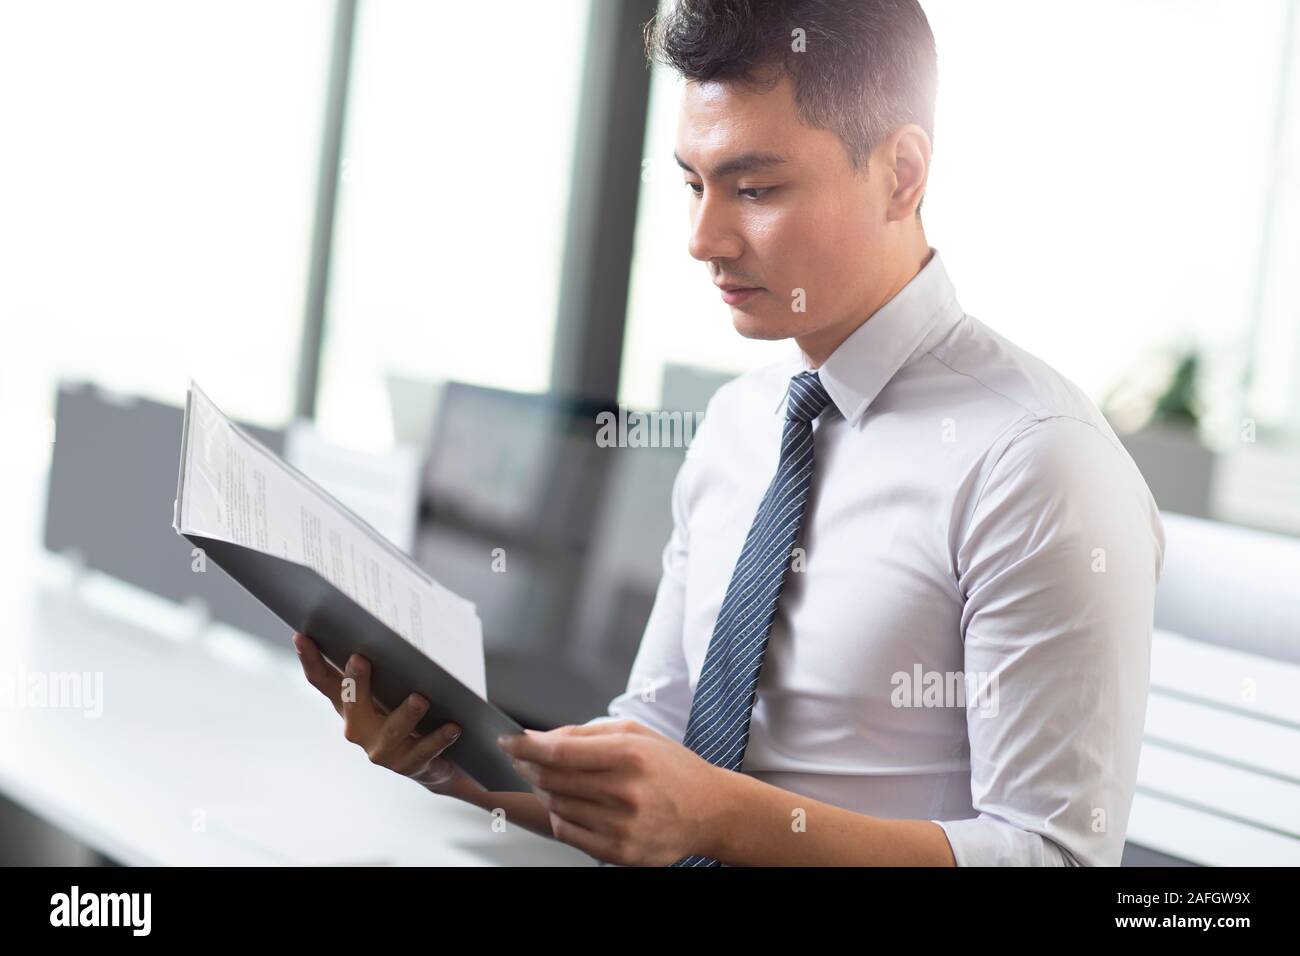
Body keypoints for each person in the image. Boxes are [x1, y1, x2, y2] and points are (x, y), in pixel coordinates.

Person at [294, 0, 1164, 866]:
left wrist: (720, 820)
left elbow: (1054, 856)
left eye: (755, 189)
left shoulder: (1039, 463)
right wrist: (451, 762)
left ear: (901, 173)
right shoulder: (740, 423)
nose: (704, 239)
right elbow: (656, 748)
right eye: (691, 183)